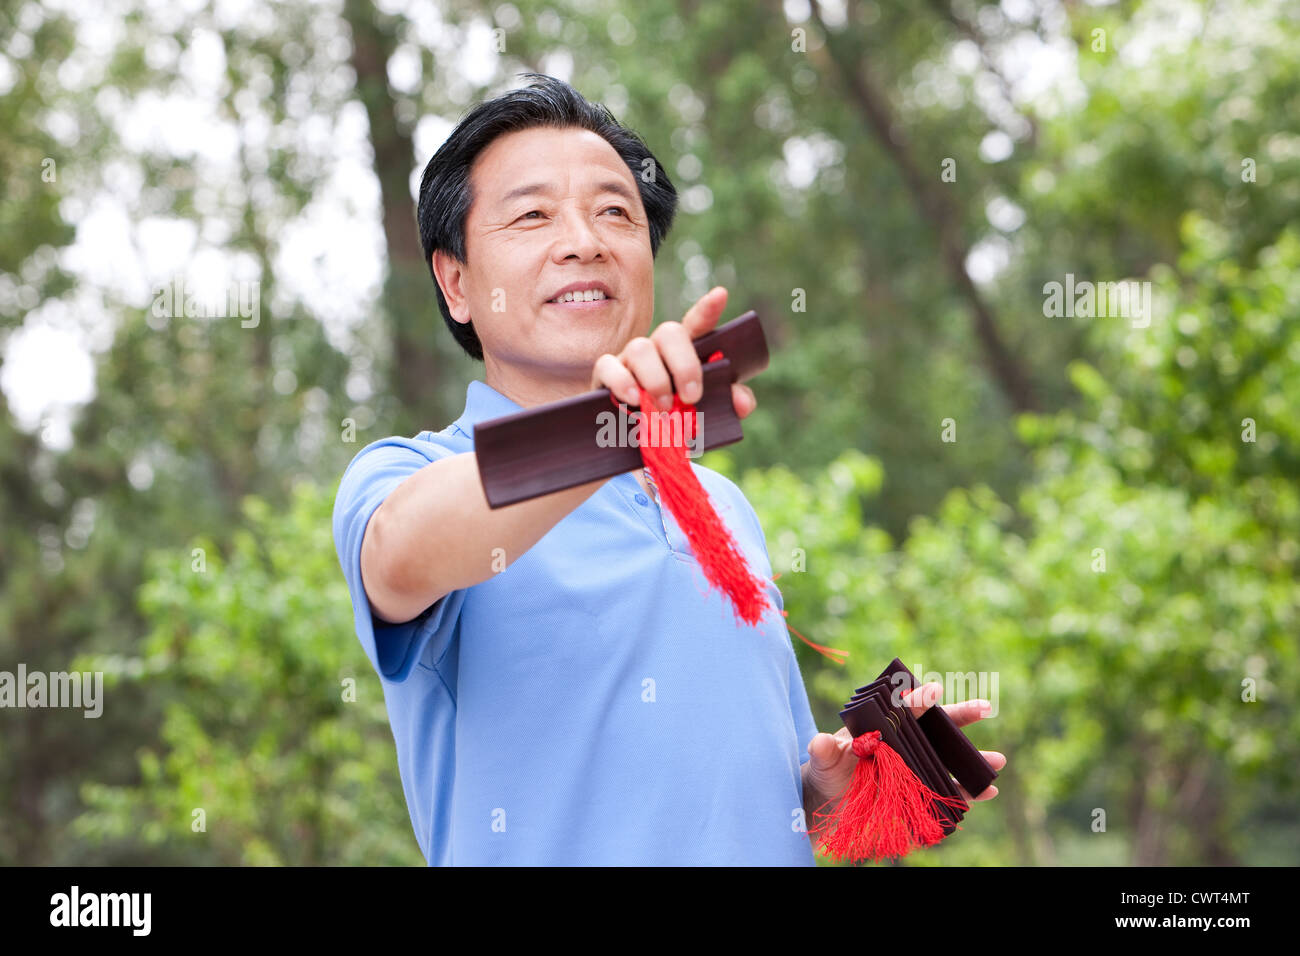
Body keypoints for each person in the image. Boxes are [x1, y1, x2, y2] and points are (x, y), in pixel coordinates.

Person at [332, 74, 1004, 865]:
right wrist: (615, 427)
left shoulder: (718, 505)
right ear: (456, 283)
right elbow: (400, 553)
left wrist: (838, 792)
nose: (585, 239)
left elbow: (751, 802)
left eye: (615, 211)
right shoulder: (411, 474)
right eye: (532, 214)